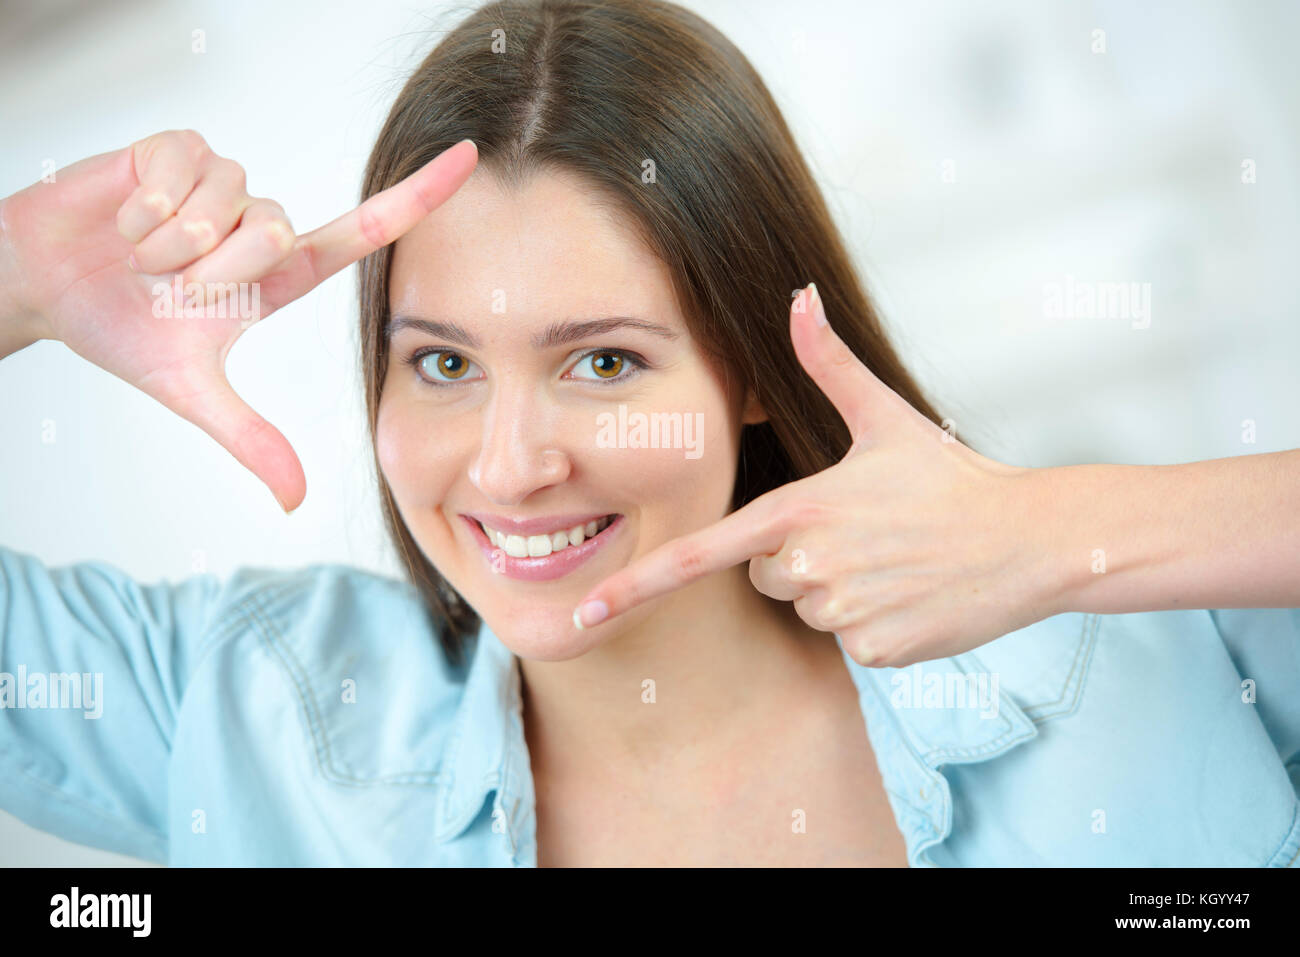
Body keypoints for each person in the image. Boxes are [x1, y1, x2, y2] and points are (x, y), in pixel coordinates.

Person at [1, 0, 1297, 867]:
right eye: (443, 362)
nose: (511, 465)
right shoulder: (255, 711)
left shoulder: (1128, 653)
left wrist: (1054, 527)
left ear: (746, 360)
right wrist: (19, 280)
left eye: (604, 360)